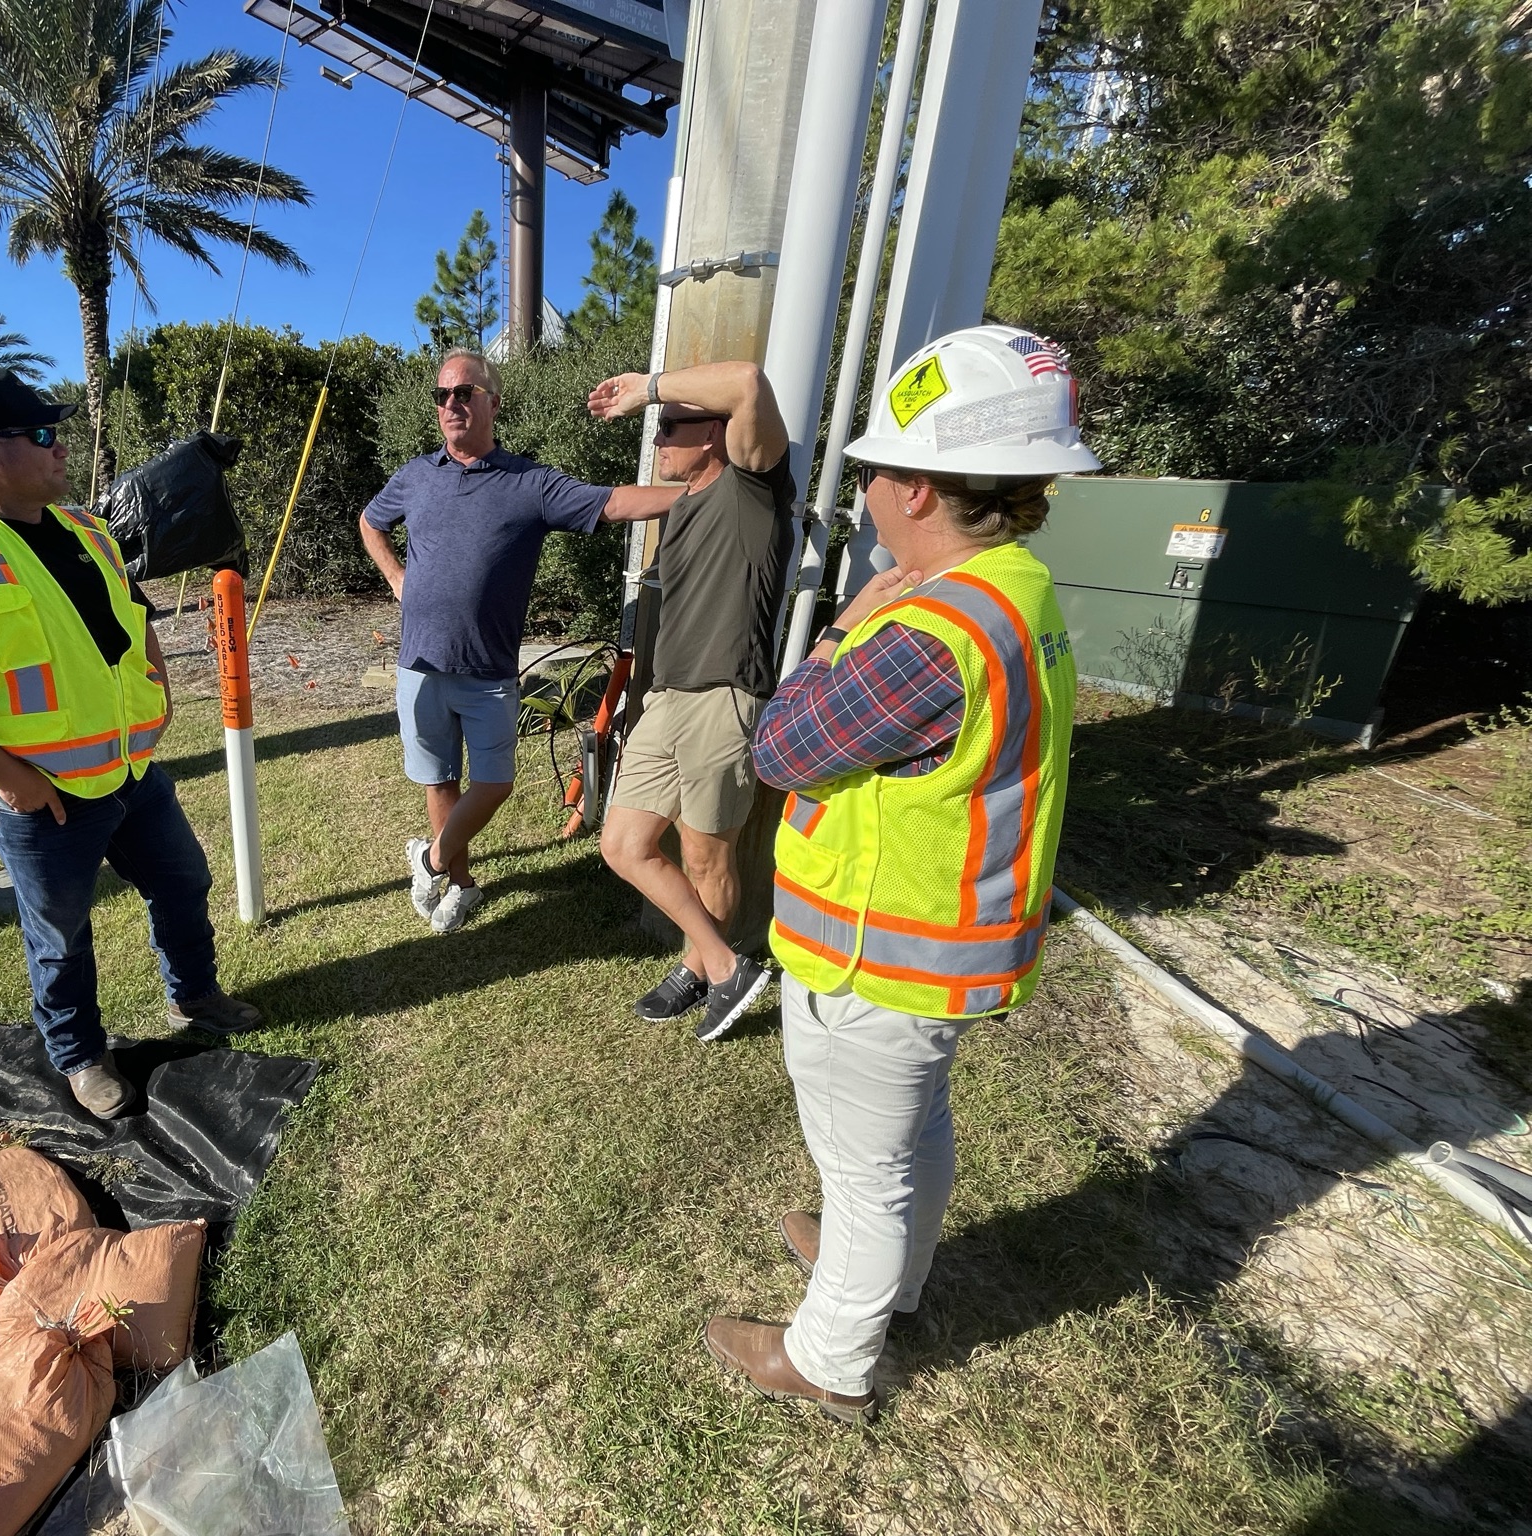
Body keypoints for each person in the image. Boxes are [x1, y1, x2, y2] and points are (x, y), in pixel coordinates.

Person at [701, 326, 1100, 1421]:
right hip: (943, 942)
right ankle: (892, 1274)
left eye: (876, 468)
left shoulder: (926, 630)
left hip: (876, 954)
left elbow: (777, 751)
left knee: (867, 1165)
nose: (867, 486)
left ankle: (827, 1356)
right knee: (910, 1129)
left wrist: (839, 626)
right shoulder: (1015, 589)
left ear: (918, 490)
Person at [0, 365, 259, 1121]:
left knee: (182, 882)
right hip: (40, 798)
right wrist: (12, 781)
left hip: (131, 771)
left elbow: (133, 621)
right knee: (61, 936)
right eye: (41, 434)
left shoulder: (84, 529)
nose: (60, 447)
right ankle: (80, 1055)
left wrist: (159, 695)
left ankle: (194, 996)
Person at [360, 349, 683, 932]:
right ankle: (459, 884)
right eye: (443, 395)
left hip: (487, 670)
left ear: (492, 403)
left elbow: (610, 502)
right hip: (421, 663)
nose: (452, 403)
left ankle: (429, 859)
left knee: (494, 783)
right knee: (439, 779)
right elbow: (370, 521)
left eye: (465, 392)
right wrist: (395, 576)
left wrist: (693, 496)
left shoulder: (528, 484)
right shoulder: (415, 476)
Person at [585, 361, 794, 1041]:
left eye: (672, 426)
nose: (660, 439)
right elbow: (614, 500)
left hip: (723, 699)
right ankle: (726, 963)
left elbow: (747, 385)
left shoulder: (750, 492)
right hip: (667, 699)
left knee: (708, 857)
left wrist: (649, 387)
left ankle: (698, 968)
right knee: (622, 845)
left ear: (713, 435)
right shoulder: (681, 510)